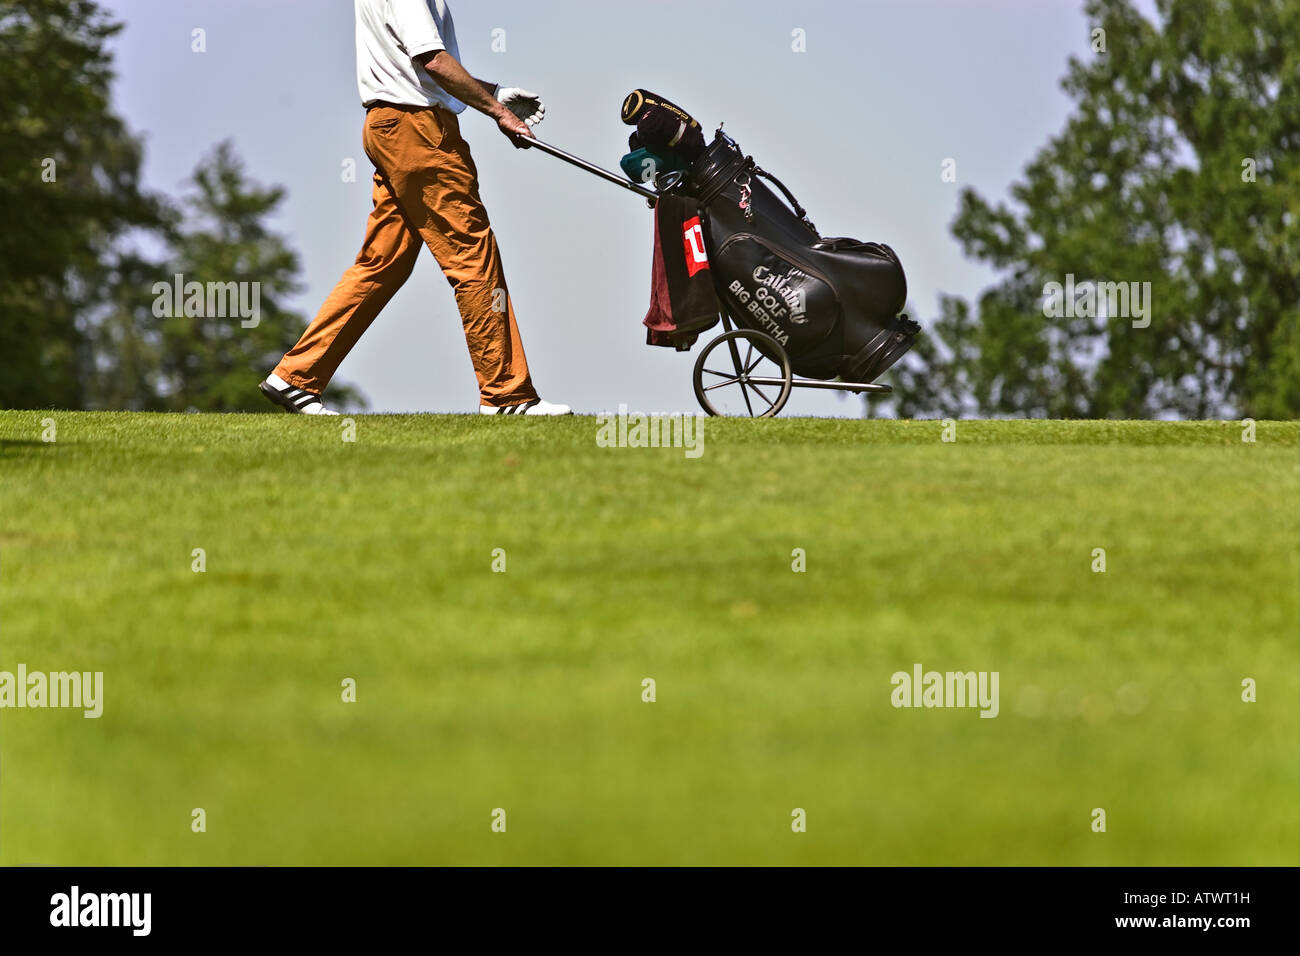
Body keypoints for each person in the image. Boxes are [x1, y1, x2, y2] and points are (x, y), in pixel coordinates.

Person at [260, 0, 571, 416]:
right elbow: (433, 61)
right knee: (473, 258)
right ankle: (506, 395)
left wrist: (494, 91)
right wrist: (498, 113)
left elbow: (417, 68)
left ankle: (296, 376)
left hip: (390, 127)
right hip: (418, 132)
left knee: (382, 262)